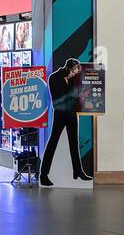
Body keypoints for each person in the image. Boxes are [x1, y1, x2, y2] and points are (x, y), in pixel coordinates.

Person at [39, 58, 92, 186]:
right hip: (60, 114)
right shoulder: (54, 77)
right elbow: (58, 98)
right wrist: (74, 96)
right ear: (69, 67)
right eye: (74, 70)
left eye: (76, 72)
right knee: (53, 142)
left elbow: (75, 96)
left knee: (74, 143)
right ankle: (43, 175)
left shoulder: (72, 79)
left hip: (71, 113)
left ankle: (78, 171)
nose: (75, 73)